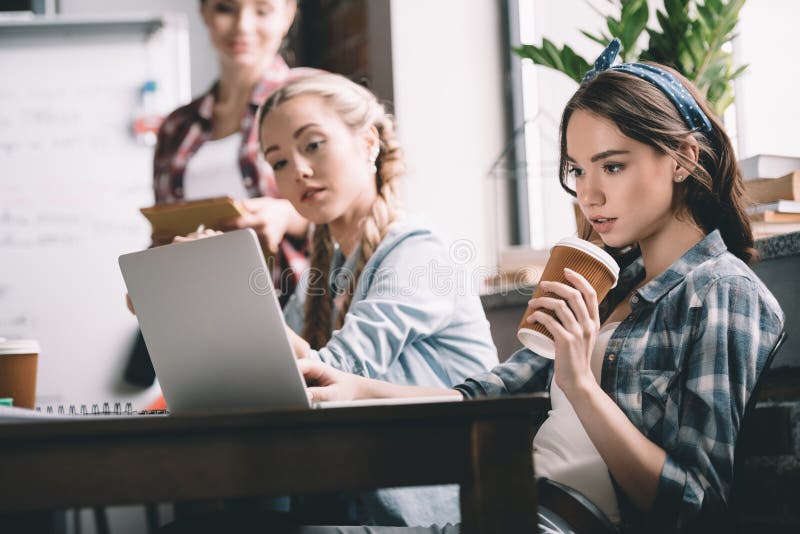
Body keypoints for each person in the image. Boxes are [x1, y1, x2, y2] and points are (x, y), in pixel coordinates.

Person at [289, 40, 785, 533]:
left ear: (683, 159)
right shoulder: (608, 284)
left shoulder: (722, 292)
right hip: (502, 511)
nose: (589, 195)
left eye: (612, 166)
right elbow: (484, 399)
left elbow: (697, 510)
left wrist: (581, 386)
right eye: (577, 170)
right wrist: (356, 389)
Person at [256, 72, 498, 527]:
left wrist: (235, 308)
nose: (298, 171)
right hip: (349, 507)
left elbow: (338, 372)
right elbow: (279, 375)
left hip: (437, 519)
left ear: (368, 144)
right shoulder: (322, 275)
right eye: (279, 162)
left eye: (312, 145)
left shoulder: (420, 254)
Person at [153, 0, 316, 301]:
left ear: (288, 14)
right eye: (225, 8)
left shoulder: (316, 97)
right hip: (199, 308)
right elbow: (163, 238)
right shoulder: (176, 127)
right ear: (204, 13)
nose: (243, 26)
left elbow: (362, 212)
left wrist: (288, 216)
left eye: (262, 10)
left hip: (294, 307)